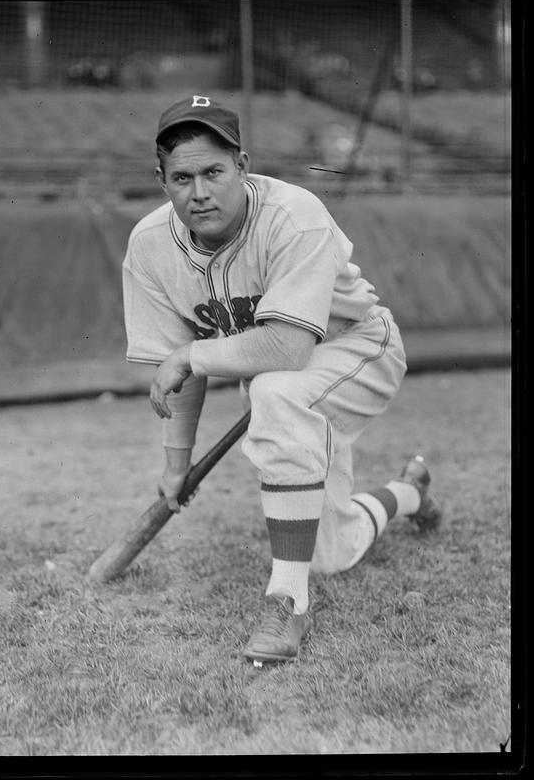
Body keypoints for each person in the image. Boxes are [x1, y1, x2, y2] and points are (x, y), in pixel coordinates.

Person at [122, 95, 442, 664]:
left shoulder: (294, 214)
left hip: (357, 348)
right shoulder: (150, 246)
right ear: (162, 180)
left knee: (273, 390)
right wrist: (176, 466)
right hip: (288, 380)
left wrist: (191, 355)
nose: (200, 192)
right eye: (182, 178)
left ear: (242, 166)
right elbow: (179, 373)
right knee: (332, 552)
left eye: (214, 172)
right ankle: (413, 492)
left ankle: (287, 601)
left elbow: (287, 348)